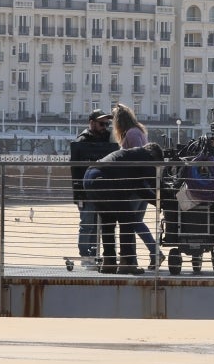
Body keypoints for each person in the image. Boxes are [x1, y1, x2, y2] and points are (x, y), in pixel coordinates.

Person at [83, 142, 165, 274]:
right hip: (104, 179)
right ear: (154, 157)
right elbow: (154, 183)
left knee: (108, 221)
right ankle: (127, 262)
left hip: (89, 177)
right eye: (157, 166)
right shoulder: (146, 157)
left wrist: (158, 202)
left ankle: (109, 262)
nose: (155, 168)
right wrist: (167, 198)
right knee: (128, 219)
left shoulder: (133, 155)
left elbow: (140, 189)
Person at [68, 109, 116, 269]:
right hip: (86, 191)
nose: (105, 127)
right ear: (92, 123)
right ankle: (85, 256)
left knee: (100, 224)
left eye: (107, 124)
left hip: (104, 191)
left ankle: (95, 254)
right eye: (102, 123)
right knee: (87, 223)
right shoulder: (81, 141)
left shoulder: (109, 140)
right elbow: (75, 170)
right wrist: (78, 193)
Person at [111, 104, 158, 266]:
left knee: (132, 221)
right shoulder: (137, 131)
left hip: (136, 185)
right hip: (141, 183)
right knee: (135, 221)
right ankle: (151, 254)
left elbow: (139, 156)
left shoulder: (132, 133)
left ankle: (143, 255)